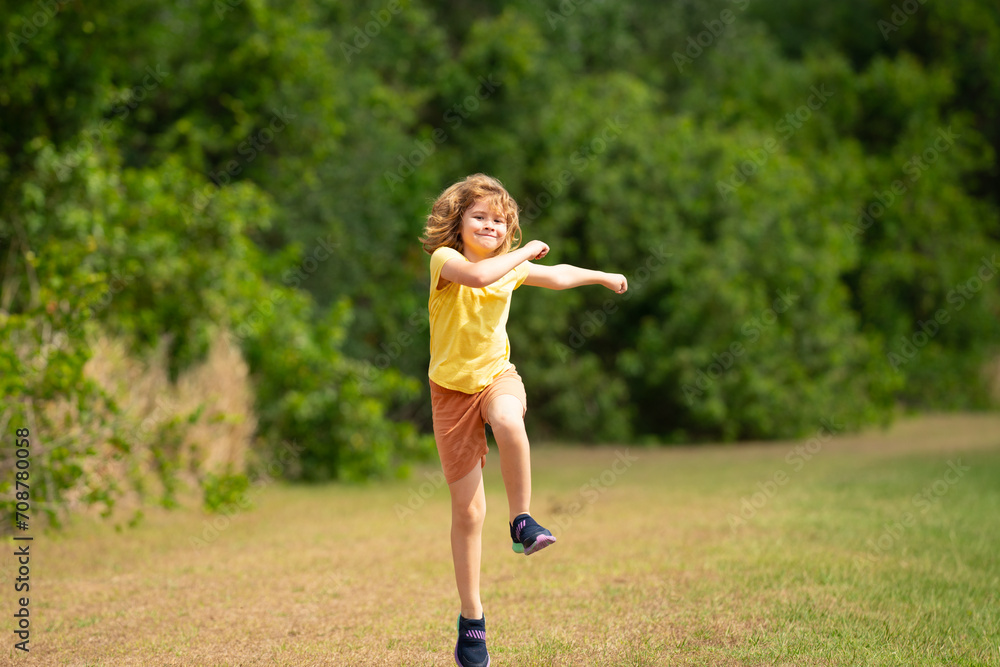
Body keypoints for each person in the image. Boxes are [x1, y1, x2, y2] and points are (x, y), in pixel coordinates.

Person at [420, 173, 628, 667]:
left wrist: (600, 276)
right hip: (450, 393)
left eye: (499, 220)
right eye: (480, 217)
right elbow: (480, 277)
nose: (490, 226)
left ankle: (522, 520)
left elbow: (556, 275)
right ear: (459, 222)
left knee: (511, 422)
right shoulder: (446, 262)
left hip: (496, 376)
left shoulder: (509, 266)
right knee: (468, 514)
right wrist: (523, 251)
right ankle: (472, 620)